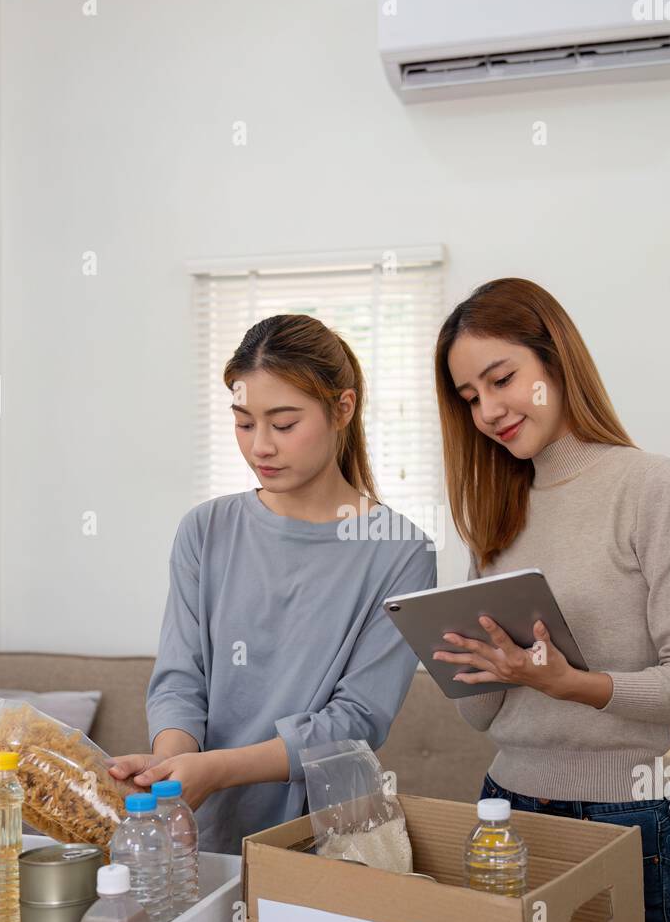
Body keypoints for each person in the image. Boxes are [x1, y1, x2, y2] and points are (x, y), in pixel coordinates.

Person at [431, 277, 670, 922]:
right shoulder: (495, 515)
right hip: (504, 807)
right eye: (470, 397)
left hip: (618, 815)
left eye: (501, 379)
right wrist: (469, 660)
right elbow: (481, 717)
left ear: (556, 360)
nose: (487, 411)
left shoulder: (653, 487)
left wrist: (572, 684)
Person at [108, 314, 436, 854]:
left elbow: (356, 722)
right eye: (244, 423)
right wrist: (171, 767)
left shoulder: (401, 551)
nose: (260, 446)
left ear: (343, 409)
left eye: (283, 425)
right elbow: (179, 679)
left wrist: (217, 770)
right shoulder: (205, 530)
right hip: (200, 832)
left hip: (325, 841)